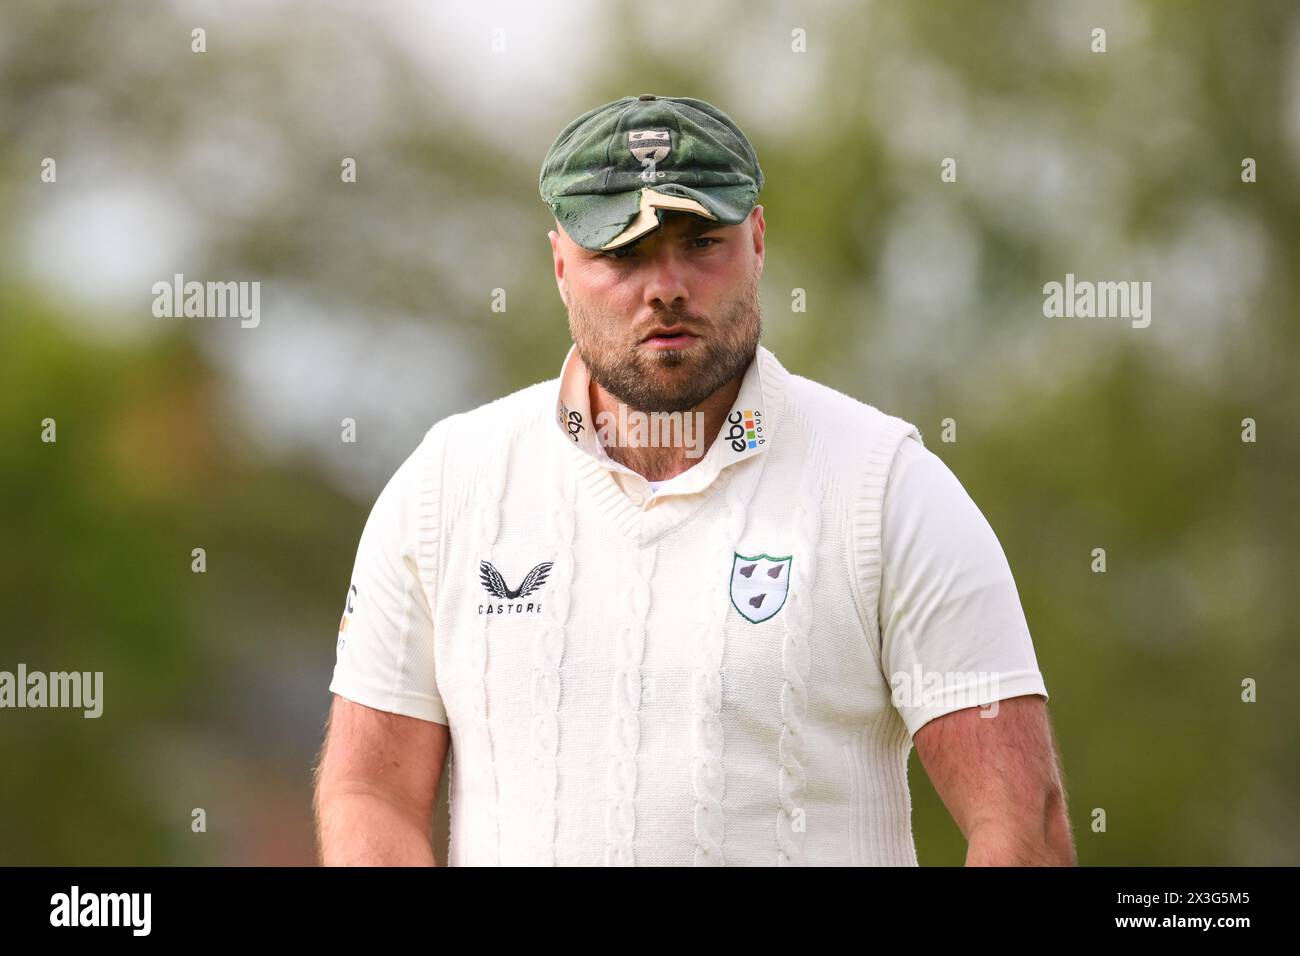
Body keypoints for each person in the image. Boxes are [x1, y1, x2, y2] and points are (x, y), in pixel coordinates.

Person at [313, 94, 1075, 866]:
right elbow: (370, 793)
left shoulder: (885, 487)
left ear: (759, 242)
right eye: (622, 252)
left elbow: (1021, 825)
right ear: (559, 266)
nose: (666, 286)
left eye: (701, 241)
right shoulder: (448, 485)